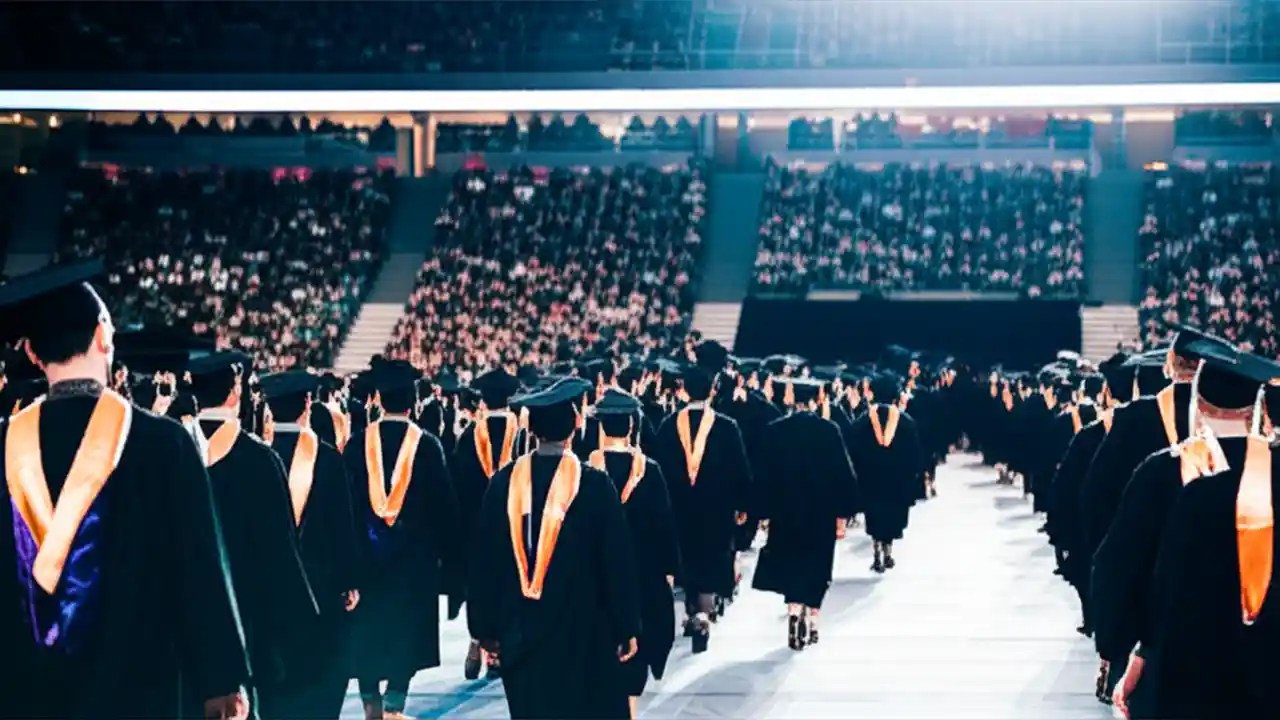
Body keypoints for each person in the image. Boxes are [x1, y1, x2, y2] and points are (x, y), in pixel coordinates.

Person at [0, 261, 250, 719]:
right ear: (104, 337)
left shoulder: (4, 445)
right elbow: (197, 566)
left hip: (22, 688)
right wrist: (220, 677)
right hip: (139, 686)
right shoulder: (164, 443)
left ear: (34, 355)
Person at [1115, 343, 1280, 718]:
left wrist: (1134, 647)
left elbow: (1133, 571)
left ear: (1198, 405)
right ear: (1260, 408)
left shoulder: (1171, 476)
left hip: (1190, 668)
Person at [467, 376, 642, 719]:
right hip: (583, 632)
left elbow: (484, 560)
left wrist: (483, 628)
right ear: (577, 424)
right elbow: (616, 562)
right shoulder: (594, 485)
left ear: (530, 428)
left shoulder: (502, 484)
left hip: (519, 630)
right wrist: (626, 626)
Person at [1081, 329, 1226, 697]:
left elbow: (1096, 491)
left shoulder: (1132, 418)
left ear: (1169, 365)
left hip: (1139, 560)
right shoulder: (1232, 419)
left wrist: (1108, 544)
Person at [188, 350, 320, 718]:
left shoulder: (170, 452)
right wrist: (300, 626)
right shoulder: (260, 460)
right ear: (235, 393)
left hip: (186, 625)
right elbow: (280, 553)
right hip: (250, 620)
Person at [343, 360, 461, 720]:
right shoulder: (427, 446)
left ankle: (370, 704)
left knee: (367, 631)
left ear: (378, 399)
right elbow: (445, 510)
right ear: (413, 404)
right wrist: (450, 564)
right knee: (404, 634)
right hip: (414, 566)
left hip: (366, 562)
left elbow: (343, 508)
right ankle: (395, 704)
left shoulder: (356, 444)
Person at [260, 370, 362, 720]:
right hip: (320, 588)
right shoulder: (329, 458)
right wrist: (350, 579)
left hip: (266, 592)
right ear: (307, 405)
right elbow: (341, 525)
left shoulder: (254, 456)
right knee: (319, 680)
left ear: (269, 409)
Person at [589, 388, 681, 716]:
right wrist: (668, 571)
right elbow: (665, 526)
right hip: (642, 575)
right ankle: (629, 707)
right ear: (631, 426)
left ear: (600, 427)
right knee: (634, 643)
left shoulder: (585, 472)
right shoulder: (649, 470)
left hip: (595, 577)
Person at [752, 377, 859, 650]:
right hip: (820, 512)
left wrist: (763, 511)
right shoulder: (829, 430)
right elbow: (842, 474)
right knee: (817, 564)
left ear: (791, 397)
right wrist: (843, 514)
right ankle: (812, 619)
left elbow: (764, 475)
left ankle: (793, 610)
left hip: (786, 511)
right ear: (817, 398)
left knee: (790, 561)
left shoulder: (774, 430)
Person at [652, 364, 753, 652]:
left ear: (683, 389)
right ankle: (704, 615)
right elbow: (740, 468)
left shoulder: (669, 425)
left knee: (687, 559)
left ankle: (690, 614)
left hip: (679, 508)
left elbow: (658, 469)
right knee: (710, 558)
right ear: (713, 390)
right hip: (716, 510)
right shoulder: (726, 426)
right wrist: (743, 504)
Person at [1048, 353, 1132, 638]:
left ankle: (1094, 618)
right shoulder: (1152, 431)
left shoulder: (1090, 434)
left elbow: (1067, 486)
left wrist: (1060, 531)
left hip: (1093, 526)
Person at [451, 367, 524, 679]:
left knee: (478, 587)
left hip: (475, 527)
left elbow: (458, 484)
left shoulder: (469, 435)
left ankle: (477, 641)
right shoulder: (523, 434)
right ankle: (499, 653)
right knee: (509, 587)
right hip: (515, 525)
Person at [848, 372, 925, 573]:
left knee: (874, 517)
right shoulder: (907, 422)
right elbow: (915, 455)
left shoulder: (862, 422)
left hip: (871, 481)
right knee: (892, 517)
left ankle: (876, 552)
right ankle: (888, 551)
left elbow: (853, 453)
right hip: (897, 483)